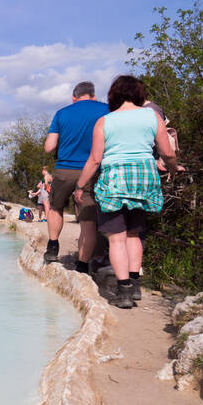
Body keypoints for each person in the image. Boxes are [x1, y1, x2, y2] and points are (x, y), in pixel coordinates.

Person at [73, 75, 178, 309]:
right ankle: (135, 282)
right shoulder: (151, 116)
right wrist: (174, 167)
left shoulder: (104, 121)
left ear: (114, 95)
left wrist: (80, 186)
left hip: (114, 179)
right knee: (134, 234)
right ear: (139, 94)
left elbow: (95, 159)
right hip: (144, 178)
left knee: (117, 238)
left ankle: (124, 291)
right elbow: (167, 152)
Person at [44, 81, 109, 271]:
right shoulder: (106, 110)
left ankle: (53, 247)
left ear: (74, 98)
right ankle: (82, 265)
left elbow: (49, 147)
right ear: (94, 96)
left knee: (56, 208)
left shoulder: (62, 113)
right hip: (92, 171)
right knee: (88, 220)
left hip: (64, 169)